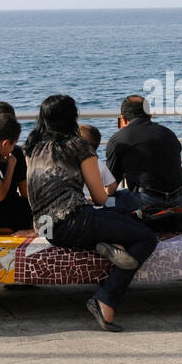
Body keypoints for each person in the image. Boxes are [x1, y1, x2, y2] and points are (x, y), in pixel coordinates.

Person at [26, 95, 158, 331]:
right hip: (74, 220)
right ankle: (105, 299)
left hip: (47, 228)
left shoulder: (32, 147)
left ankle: (105, 241)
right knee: (146, 236)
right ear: (72, 117)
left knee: (116, 221)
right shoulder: (78, 146)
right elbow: (100, 197)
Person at [106, 95, 182, 213]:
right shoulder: (168, 133)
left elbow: (110, 188)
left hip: (146, 201)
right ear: (150, 116)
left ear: (123, 119)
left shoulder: (118, 139)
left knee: (106, 201)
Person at [79, 124, 118, 202]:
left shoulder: (68, 162)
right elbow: (112, 186)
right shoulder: (99, 163)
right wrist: (106, 192)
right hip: (96, 206)